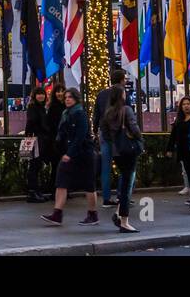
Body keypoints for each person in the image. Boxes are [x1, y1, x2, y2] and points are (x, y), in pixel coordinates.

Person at [41, 87, 99, 226]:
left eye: (70, 97)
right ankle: (57, 213)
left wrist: (69, 153)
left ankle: (92, 214)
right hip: (69, 154)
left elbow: (80, 136)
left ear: (76, 99)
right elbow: (62, 134)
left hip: (84, 153)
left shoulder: (80, 114)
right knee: (61, 181)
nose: (67, 99)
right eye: (66, 97)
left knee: (89, 185)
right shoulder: (66, 113)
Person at [101, 85, 142, 233]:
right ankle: (124, 221)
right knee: (127, 186)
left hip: (116, 152)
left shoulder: (107, 114)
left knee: (124, 181)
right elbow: (134, 128)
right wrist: (139, 140)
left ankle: (119, 213)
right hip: (129, 150)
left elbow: (105, 135)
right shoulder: (126, 110)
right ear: (121, 96)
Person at [93, 68, 127, 205]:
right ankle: (121, 195)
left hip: (104, 132)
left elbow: (96, 114)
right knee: (124, 166)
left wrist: (95, 130)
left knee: (105, 167)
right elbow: (127, 112)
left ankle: (106, 198)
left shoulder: (101, 94)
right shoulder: (122, 93)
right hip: (118, 133)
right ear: (121, 80)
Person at [23, 85, 55, 202]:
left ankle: (36, 191)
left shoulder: (41, 107)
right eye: (38, 94)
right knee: (34, 166)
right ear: (34, 96)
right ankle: (32, 192)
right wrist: (29, 136)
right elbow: (31, 122)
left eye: (43, 93)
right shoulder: (33, 107)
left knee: (37, 166)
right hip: (36, 139)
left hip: (41, 139)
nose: (41, 96)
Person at [166, 95, 190, 198]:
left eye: (188, 104)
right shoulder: (179, 120)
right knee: (189, 174)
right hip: (183, 151)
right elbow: (173, 135)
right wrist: (169, 149)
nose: (186, 106)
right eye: (184, 104)